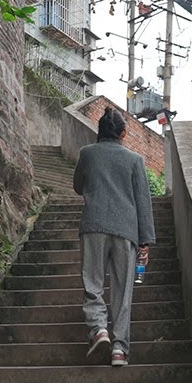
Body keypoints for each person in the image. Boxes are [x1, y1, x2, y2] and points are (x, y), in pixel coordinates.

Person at [73, 107, 156, 367]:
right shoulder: (134, 160)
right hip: (126, 230)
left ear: (100, 132)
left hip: (94, 225)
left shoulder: (87, 154)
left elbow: (78, 186)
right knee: (122, 291)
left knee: (93, 282)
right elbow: (143, 201)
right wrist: (145, 240)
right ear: (122, 133)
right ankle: (119, 350)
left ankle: (99, 330)